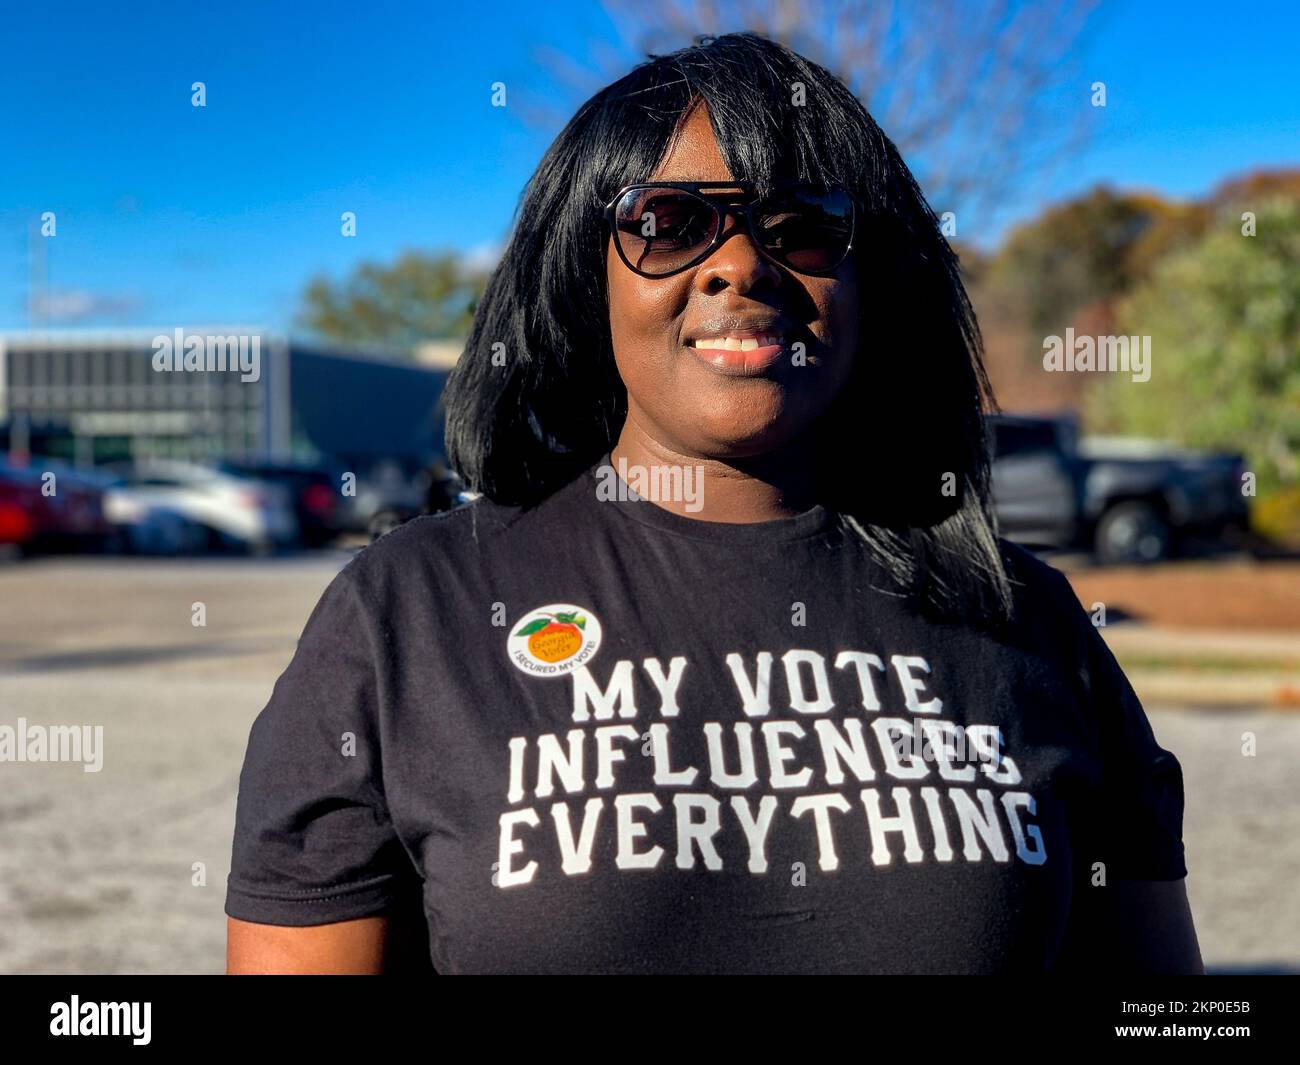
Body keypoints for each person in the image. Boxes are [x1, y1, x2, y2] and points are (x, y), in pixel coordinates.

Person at [225, 32, 1202, 975]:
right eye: (669, 221)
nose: (740, 265)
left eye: (803, 224)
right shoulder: (407, 615)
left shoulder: (1029, 622)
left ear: (873, 281)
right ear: (587, 275)